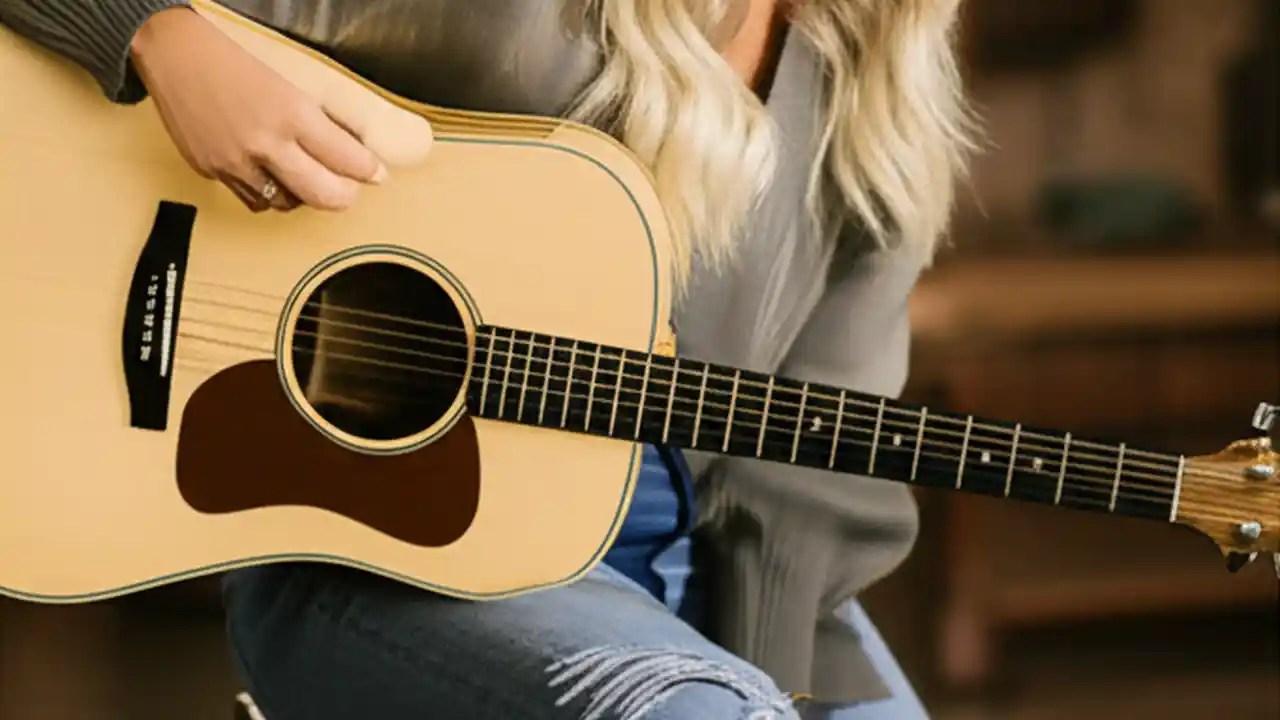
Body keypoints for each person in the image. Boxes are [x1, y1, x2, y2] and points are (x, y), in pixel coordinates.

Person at [0, 1, 975, 718]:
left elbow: (793, 492)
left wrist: (765, 688)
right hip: (385, 565)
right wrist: (155, 34)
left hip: (696, 568)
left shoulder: (876, 120)